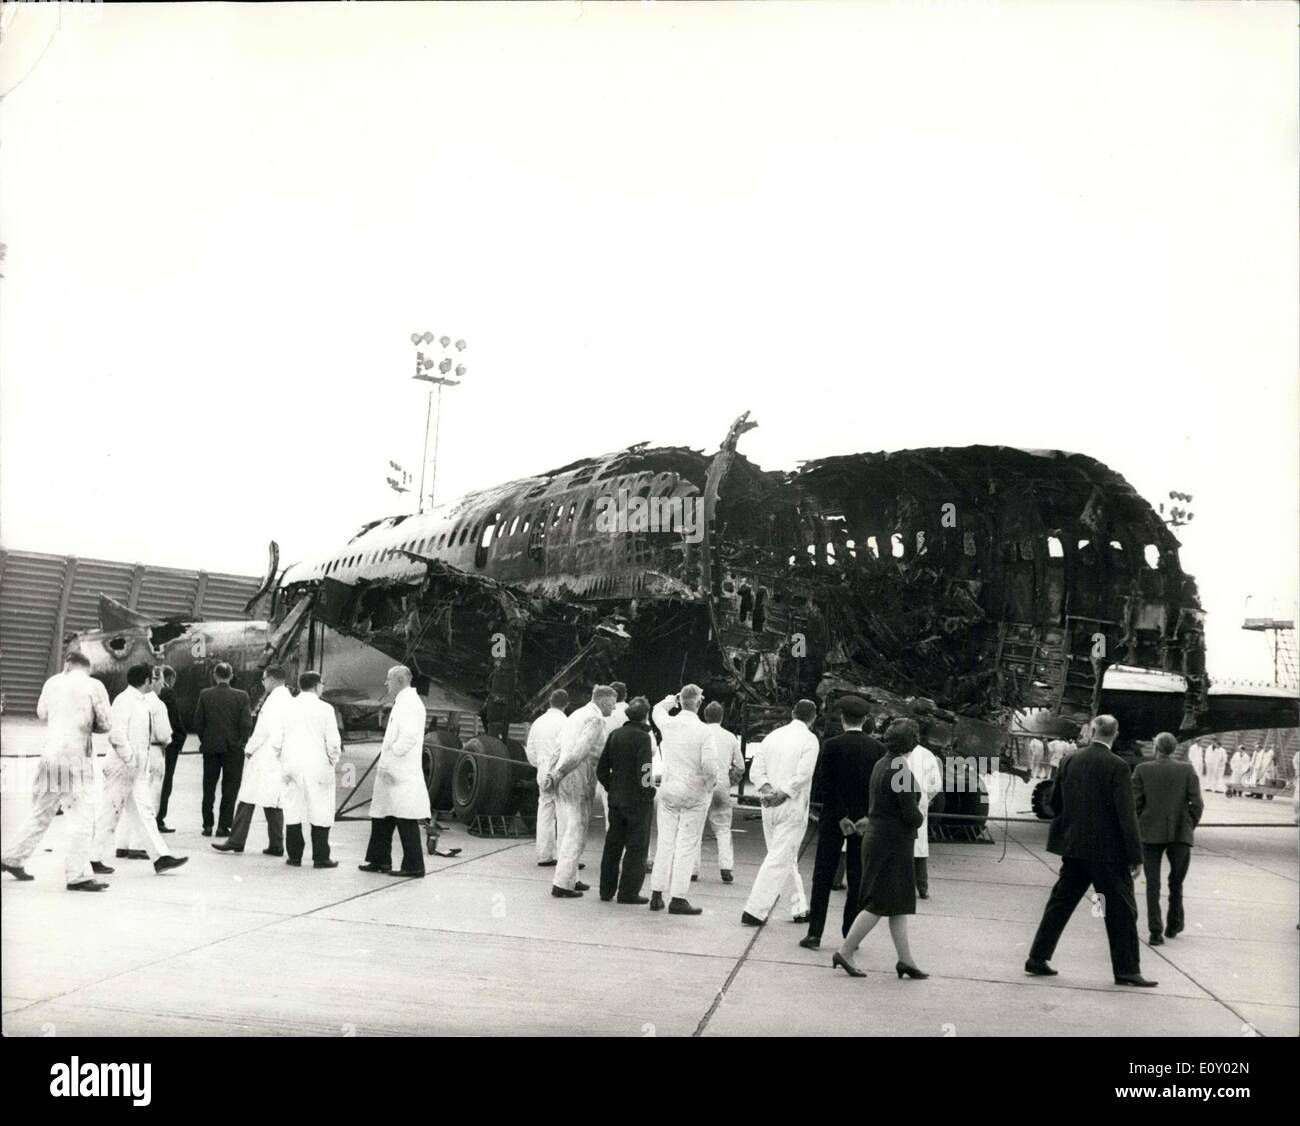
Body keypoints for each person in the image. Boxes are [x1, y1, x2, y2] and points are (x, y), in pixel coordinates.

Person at [1025, 715, 1155, 987]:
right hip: (1107, 854)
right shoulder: (1117, 766)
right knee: (1121, 910)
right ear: (1115, 734)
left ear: (1092, 730)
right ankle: (1127, 970)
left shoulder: (1069, 760)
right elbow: (1126, 814)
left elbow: (1056, 802)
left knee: (1060, 904)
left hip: (1074, 848)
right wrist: (1135, 855)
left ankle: (1037, 957)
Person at [1, 652, 112, 890]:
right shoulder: (94, 685)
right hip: (75, 760)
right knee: (82, 818)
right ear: (87, 668)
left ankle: (12, 857)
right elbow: (105, 723)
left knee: (40, 813)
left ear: (68, 666)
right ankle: (78, 875)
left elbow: (41, 713)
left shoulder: (52, 682)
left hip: (50, 756)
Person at [832, 719, 928, 979]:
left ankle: (906, 961)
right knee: (878, 903)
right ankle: (845, 951)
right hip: (892, 843)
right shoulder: (901, 770)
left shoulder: (883, 763)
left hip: (880, 839)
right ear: (912, 742)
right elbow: (910, 815)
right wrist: (922, 815)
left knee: (898, 904)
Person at [800, 695, 886, 950]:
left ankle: (815, 932)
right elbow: (879, 788)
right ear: (865, 719)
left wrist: (840, 816)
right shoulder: (878, 749)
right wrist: (866, 817)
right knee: (857, 878)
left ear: (842, 718)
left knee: (823, 876)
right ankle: (850, 934)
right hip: (862, 823)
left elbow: (824, 784)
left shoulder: (831, 745)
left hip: (833, 821)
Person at [90, 663, 188, 877]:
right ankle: (92, 858)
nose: (155, 681)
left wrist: (135, 764)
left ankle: (161, 857)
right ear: (146, 680)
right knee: (110, 812)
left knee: (144, 812)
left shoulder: (140, 702)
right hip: (122, 767)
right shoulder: (125, 701)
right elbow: (116, 735)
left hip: (134, 770)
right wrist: (130, 759)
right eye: (153, 678)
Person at [741, 699, 820, 927]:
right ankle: (755, 909)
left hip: (770, 804)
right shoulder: (810, 740)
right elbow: (804, 774)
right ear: (813, 718)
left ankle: (798, 908)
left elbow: (756, 769)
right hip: (791, 805)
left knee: (784, 856)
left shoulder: (773, 736)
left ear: (793, 712)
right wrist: (783, 793)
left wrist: (767, 789)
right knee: (779, 858)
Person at [541, 685, 616, 898]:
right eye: (611, 703)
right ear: (603, 701)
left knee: (567, 829)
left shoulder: (575, 715)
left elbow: (558, 746)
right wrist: (559, 772)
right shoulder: (596, 719)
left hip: (563, 775)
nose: (613, 708)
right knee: (577, 831)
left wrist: (553, 772)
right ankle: (562, 884)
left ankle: (570, 877)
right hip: (578, 776)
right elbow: (580, 750)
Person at [648, 685, 717, 915]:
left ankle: (656, 893)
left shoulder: (668, 723)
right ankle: (678, 897)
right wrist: (709, 785)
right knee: (686, 845)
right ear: (699, 704)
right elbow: (709, 765)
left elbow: (657, 709)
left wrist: (671, 699)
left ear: (682, 701)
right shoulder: (704, 731)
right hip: (693, 792)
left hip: (669, 789)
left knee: (665, 842)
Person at [213, 666, 292, 857]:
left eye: (264, 679)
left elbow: (263, 729)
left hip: (265, 756)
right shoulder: (288, 698)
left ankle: (236, 840)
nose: (263, 683)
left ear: (272, 679)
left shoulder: (274, 700)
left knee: (247, 797)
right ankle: (276, 844)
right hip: (277, 756)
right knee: (272, 801)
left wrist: (249, 749)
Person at [1133, 731, 1203, 945]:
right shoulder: (1187, 769)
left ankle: (1155, 932)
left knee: (1152, 884)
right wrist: (1190, 823)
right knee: (1176, 881)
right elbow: (1197, 803)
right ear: (1174, 748)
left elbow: (1135, 804)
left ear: (1156, 747)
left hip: (1150, 833)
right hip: (1180, 832)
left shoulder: (1142, 769)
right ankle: (1174, 924)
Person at [360, 666, 430, 878]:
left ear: (399, 680)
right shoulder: (404, 700)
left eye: (388, 679)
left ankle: (414, 866)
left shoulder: (409, 703)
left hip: (401, 771)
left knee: (405, 818)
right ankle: (380, 860)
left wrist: (394, 753)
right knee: (382, 816)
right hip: (392, 770)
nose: (385, 683)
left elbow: (409, 736)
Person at [596, 696, 655, 904]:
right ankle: (628, 892)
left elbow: (601, 769)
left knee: (613, 844)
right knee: (636, 846)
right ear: (646, 716)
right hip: (637, 801)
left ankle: (606, 890)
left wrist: (612, 786)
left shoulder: (615, 735)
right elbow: (645, 769)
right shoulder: (643, 738)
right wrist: (649, 791)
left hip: (616, 798)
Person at [281, 671, 343, 868]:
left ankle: (294, 856)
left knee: (292, 810)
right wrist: (333, 760)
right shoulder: (326, 709)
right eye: (322, 684)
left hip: (291, 764)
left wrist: (282, 759)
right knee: (320, 810)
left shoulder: (288, 707)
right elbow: (333, 742)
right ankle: (321, 857)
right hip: (317, 765)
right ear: (316, 686)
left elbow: (276, 739)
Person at [115, 670, 173, 859]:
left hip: (129, 753)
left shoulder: (127, 699)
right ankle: (139, 846)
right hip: (152, 753)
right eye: (160, 681)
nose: (162, 686)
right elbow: (164, 734)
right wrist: (167, 742)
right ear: (152, 681)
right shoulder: (157, 704)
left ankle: (122, 844)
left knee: (127, 802)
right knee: (149, 800)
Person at [192, 662, 254, 836]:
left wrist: (206, 739)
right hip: (233, 749)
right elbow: (246, 724)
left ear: (215, 675)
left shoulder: (205, 695)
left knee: (209, 786)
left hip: (211, 748)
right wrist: (240, 742)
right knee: (230, 788)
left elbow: (198, 723)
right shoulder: (242, 696)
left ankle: (207, 825)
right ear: (231, 675)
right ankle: (223, 826)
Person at [692, 702, 745, 884]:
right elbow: (740, 766)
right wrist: (731, 781)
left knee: (695, 828)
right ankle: (726, 867)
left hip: (702, 784)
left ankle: (693, 869)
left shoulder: (699, 733)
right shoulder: (730, 737)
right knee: (723, 828)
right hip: (722, 784)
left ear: (704, 716)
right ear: (722, 717)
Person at [524, 689, 569, 867]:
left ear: (549, 702)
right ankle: (563, 856)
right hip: (559, 770)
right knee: (564, 813)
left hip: (542, 769)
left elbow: (531, 749)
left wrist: (540, 766)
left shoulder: (538, 722)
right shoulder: (566, 722)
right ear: (566, 704)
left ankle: (544, 854)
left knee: (544, 811)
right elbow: (567, 749)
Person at [907, 735, 943, 900]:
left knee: (900, 847)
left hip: (899, 805)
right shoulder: (927, 755)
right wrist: (926, 798)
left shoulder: (895, 753)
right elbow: (936, 784)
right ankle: (923, 888)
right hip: (920, 805)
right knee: (919, 849)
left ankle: (901, 887)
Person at [154, 665, 186, 832]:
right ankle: (159, 819)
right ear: (170, 678)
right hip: (169, 744)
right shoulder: (168, 693)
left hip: (152, 744)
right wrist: (181, 738)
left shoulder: (149, 693)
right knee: (166, 782)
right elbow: (175, 719)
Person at [594, 681, 630, 826]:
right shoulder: (634, 712)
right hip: (631, 770)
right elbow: (649, 751)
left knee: (610, 812)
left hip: (609, 768)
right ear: (625, 694)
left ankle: (613, 841)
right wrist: (646, 784)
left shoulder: (604, 714)